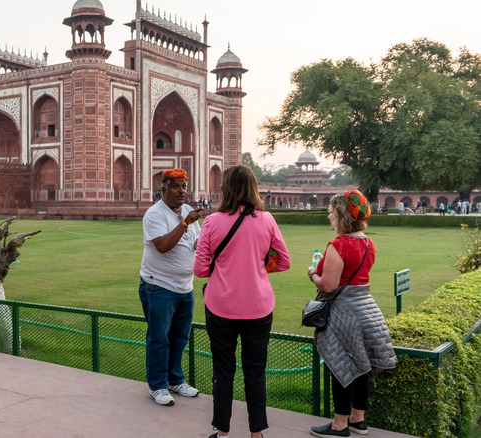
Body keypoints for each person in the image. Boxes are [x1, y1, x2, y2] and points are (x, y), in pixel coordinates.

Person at [194, 165, 291, 438]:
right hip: (258, 307)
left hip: (221, 306)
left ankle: (222, 432)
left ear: (226, 188)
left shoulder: (212, 222)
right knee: (255, 372)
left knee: (223, 372)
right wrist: (257, 267)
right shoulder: (267, 219)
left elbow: (201, 269)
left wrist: (223, 267)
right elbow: (283, 261)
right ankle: (256, 433)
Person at [306, 190, 397, 438]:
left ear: (342, 216)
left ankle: (339, 425)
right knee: (361, 365)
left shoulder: (339, 245)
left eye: (332, 213)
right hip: (367, 307)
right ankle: (359, 420)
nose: (329, 218)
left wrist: (312, 273)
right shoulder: (368, 242)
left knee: (342, 366)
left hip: (344, 312)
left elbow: (328, 285)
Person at [139, 168, 203, 406]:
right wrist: (185, 223)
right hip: (159, 287)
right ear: (163, 188)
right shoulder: (154, 214)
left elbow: (192, 243)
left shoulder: (186, 210)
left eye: (184, 187)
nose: (181, 191)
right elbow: (163, 245)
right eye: (175, 187)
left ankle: (175, 380)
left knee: (179, 338)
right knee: (159, 338)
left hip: (185, 286)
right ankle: (157, 385)